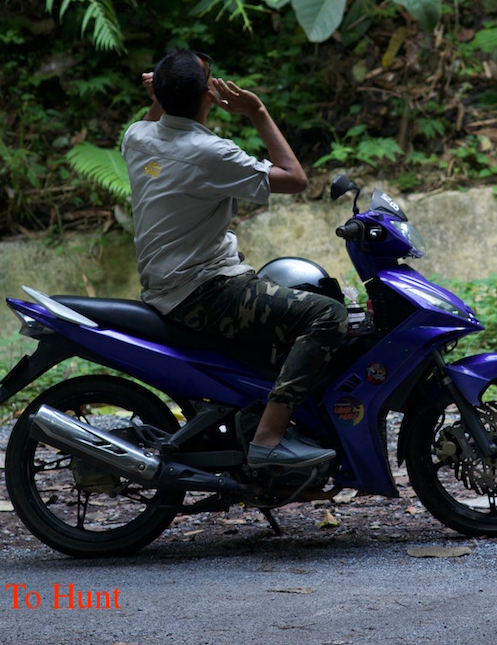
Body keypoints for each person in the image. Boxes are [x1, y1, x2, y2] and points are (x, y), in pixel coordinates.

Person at [121, 48, 347, 470]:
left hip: (169, 286)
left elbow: (158, 121)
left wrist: (165, 95)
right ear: (210, 94)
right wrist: (257, 110)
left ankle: (255, 417)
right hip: (205, 290)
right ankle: (268, 440)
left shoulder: (137, 137)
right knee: (328, 315)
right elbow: (295, 179)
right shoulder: (211, 153)